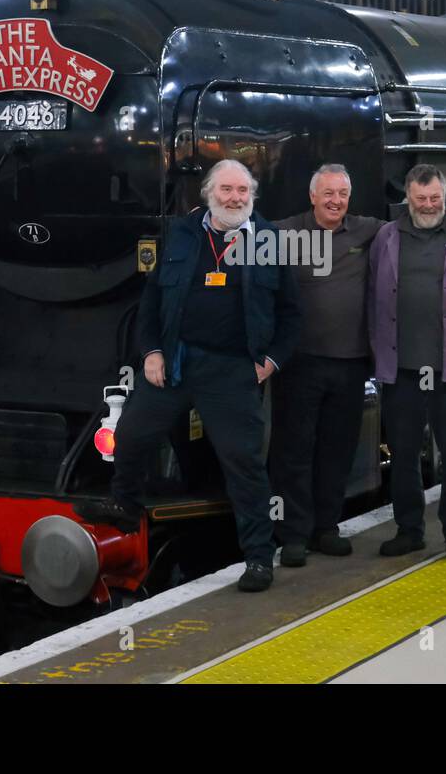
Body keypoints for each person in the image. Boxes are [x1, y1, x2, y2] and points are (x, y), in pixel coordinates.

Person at [80, 159, 301, 592]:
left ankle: (258, 558)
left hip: (234, 369)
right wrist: (152, 352)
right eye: (226, 190)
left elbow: (292, 314)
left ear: (252, 195)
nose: (234, 198)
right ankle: (125, 504)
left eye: (242, 190)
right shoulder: (181, 233)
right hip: (178, 361)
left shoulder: (271, 240)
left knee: (244, 464)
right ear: (208, 194)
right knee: (131, 434)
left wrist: (271, 362)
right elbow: (152, 302)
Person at [269, 164, 446, 567]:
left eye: (342, 193)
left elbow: (419, 219)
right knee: (293, 451)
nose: (335, 201)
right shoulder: (284, 231)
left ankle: (326, 528)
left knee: (338, 450)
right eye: (327, 193)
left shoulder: (369, 230)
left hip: (350, 363)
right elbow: (245, 235)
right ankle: (292, 535)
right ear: (312, 196)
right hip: (300, 363)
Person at [367, 164, 446, 560]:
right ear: (408, 197)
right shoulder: (386, 237)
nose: (428, 205)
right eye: (421, 199)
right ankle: (410, 530)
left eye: (435, 199)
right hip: (402, 369)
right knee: (403, 454)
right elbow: (372, 293)